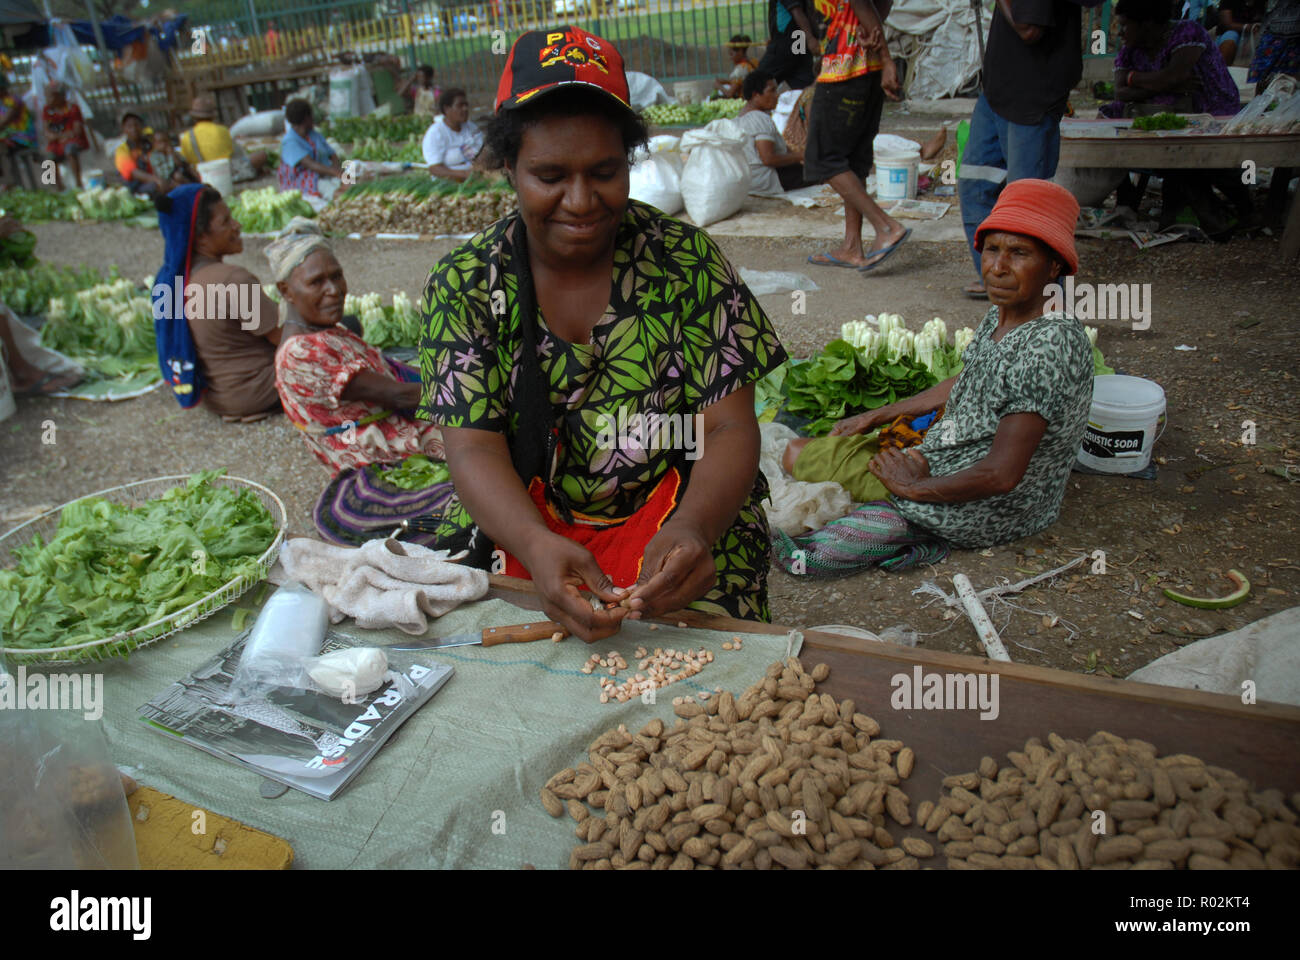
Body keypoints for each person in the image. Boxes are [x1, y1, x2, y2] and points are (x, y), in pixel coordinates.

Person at [417, 27, 788, 642]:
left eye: (605, 171)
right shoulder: (466, 283)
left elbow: (725, 426)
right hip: (523, 519)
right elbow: (474, 448)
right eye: (550, 175)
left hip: (679, 512)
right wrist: (536, 545)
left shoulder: (684, 262)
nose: (582, 200)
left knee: (705, 675)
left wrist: (694, 528)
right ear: (508, 167)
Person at [776, 180, 1093, 572]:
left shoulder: (1048, 345)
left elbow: (1002, 474)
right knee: (796, 456)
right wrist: (879, 415)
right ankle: (894, 505)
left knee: (807, 555)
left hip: (988, 504)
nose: (997, 267)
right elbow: (968, 380)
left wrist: (914, 489)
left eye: (1019, 253)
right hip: (943, 457)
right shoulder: (1007, 312)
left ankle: (913, 525)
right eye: (992, 249)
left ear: (1055, 264)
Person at [266, 219, 444, 473]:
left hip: (392, 433)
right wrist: (465, 389)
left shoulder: (326, 331)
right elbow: (398, 395)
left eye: (337, 276)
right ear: (286, 291)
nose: (334, 290)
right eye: (316, 282)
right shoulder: (301, 353)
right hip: (381, 456)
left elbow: (391, 375)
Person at [957, 0, 1105, 299]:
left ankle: (1043, 301)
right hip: (999, 91)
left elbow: (1028, 28)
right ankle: (1003, 284)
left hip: (1031, 97)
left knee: (1027, 206)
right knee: (976, 186)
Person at [152, 183, 282, 421]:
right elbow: (286, 338)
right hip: (255, 390)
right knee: (343, 331)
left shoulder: (167, 282)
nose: (237, 225)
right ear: (200, 237)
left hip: (212, 397)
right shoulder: (232, 280)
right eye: (225, 222)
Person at [803, 0, 910, 271]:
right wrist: (872, 29)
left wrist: (886, 58)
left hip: (845, 68)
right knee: (851, 160)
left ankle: (886, 226)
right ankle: (852, 247)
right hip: (866, 66)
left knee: (823, 158)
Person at [1101, 0, 1242, 117]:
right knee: (1109, 111)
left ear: (1147, 23)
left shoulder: (1187, 32)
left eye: (1124, 26)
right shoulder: (1129, 50)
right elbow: (1120, 93)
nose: (1120, 33)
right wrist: (1169, 86)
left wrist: (1133, 78)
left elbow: (1172, 77)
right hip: (1164, 105)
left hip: (1208, 107)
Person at [736, 70, 807, 195]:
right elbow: (768, 159)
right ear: (756, 95)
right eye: (772, 91)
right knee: (820, 173)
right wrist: (800, 156)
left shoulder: (739, 119)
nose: (777, 95)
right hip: (766, 180)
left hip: (748, 181)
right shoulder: (760, 118)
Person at [179, 94, 270, 183]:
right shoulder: (221, 130)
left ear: (193, 117)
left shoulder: (186, 137)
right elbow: (232, 153)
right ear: (213, 116)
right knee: (262, 155)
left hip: (203, 176)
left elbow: (185, 160)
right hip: (226, 173)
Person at [279, 99, 345, 201]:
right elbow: (310, 164)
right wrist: (335, 172)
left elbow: (332, 154)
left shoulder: (314, 135)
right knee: (331, 190)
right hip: (304, 178)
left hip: (325, 172)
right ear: (306, 118)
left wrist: (336, 168)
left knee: (348, 181)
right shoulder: (290, 142)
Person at [421, 88, 483, 182]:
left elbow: (482, 152)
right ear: (447, 109)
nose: (465, 109)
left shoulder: (471, 127)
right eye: (460, 106)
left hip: (474, 177)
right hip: (447, 181)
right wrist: (464, 174)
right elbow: (435, 168)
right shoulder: (436, 133)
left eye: (466, 105)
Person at [757, 0, 821, 90]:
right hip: (798, 45)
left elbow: (796, 11)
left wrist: (810, 39)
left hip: (786, 45)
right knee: (805, 86)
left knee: (757, 81)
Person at [41, 82, 89, 191]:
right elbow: (47, 132)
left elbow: (76, 131)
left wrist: (58, 136)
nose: (48, 99)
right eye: (47, 96)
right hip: (57, 142)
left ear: (60, 96)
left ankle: (78, 184)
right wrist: (59, 136)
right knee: (48, 156)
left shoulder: (72, 108)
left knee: (70, 149)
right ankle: (58, 188)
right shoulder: (47, 110)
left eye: (51, 96)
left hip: (72, 140)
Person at [1248, 0, 1300, 88]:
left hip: (1293, 37)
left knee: (1290, 82)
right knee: (1262, 79)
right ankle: (1259, 100)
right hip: (1273, 31)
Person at [115, 111, 168, 196]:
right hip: (136, 185)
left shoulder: (149, 143)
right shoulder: (122, 150)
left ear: (142, 126)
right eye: (129, 126)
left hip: (156, 177)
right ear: (124, 129)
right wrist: (157, 180)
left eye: (136, 125)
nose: (134, 129)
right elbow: (133, 172)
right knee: (156, 187)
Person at [0, 76, 37, 186]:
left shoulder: (13, 100)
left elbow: (4, 121)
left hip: (23, 137)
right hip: (10, 136)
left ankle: (9, 183)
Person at [714, 35, 758, 99]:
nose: (730, 56)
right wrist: (727, 82)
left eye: (731, 54)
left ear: (740, 52)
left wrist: (718, 86)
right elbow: (743, 82)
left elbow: (729, 94)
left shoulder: (740, 69)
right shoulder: (754, 61)